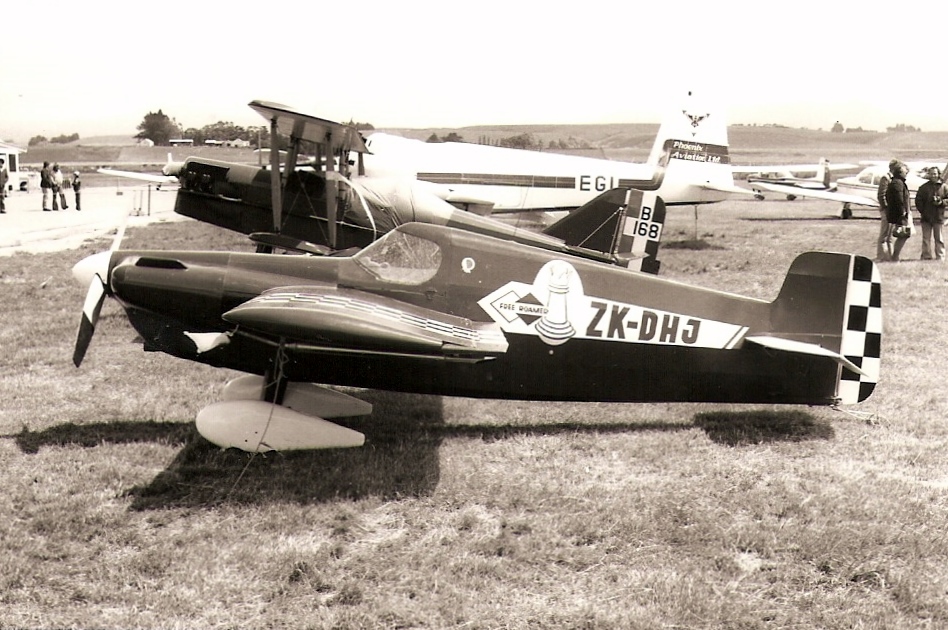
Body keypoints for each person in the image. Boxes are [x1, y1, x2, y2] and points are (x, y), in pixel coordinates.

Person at [915, 166, 948, 261]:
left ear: (938, 174)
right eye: (931, 174)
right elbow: (918, 201)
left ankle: (940, 256)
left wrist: (941, 202)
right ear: (928, 175)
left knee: (939, 238)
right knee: (926, 239)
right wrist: (923, 211)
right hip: (926, 217)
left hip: (938, 216)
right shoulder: (923, 187)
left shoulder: (944, 187)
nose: (933, 176)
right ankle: (926, 256)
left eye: (935, 173)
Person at [885, 161, 913, 262]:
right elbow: (899, 199)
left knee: (900, 235)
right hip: (898, 215)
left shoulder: (898, 182)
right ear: (900, 171)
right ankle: (894, 257)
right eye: (905, 170)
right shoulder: (898, 183)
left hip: (897, 214)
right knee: (902, 235)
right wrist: (904, 213)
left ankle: (894, 256)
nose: (907, 172)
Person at [875, 159, 898, 261]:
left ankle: (889, 257)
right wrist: (886, 208)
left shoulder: (893, 178)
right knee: (884, 235)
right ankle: (881, 256)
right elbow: (881, 195)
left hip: (892, 211)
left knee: (889, 236)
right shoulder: (886, 178)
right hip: (887, 211)